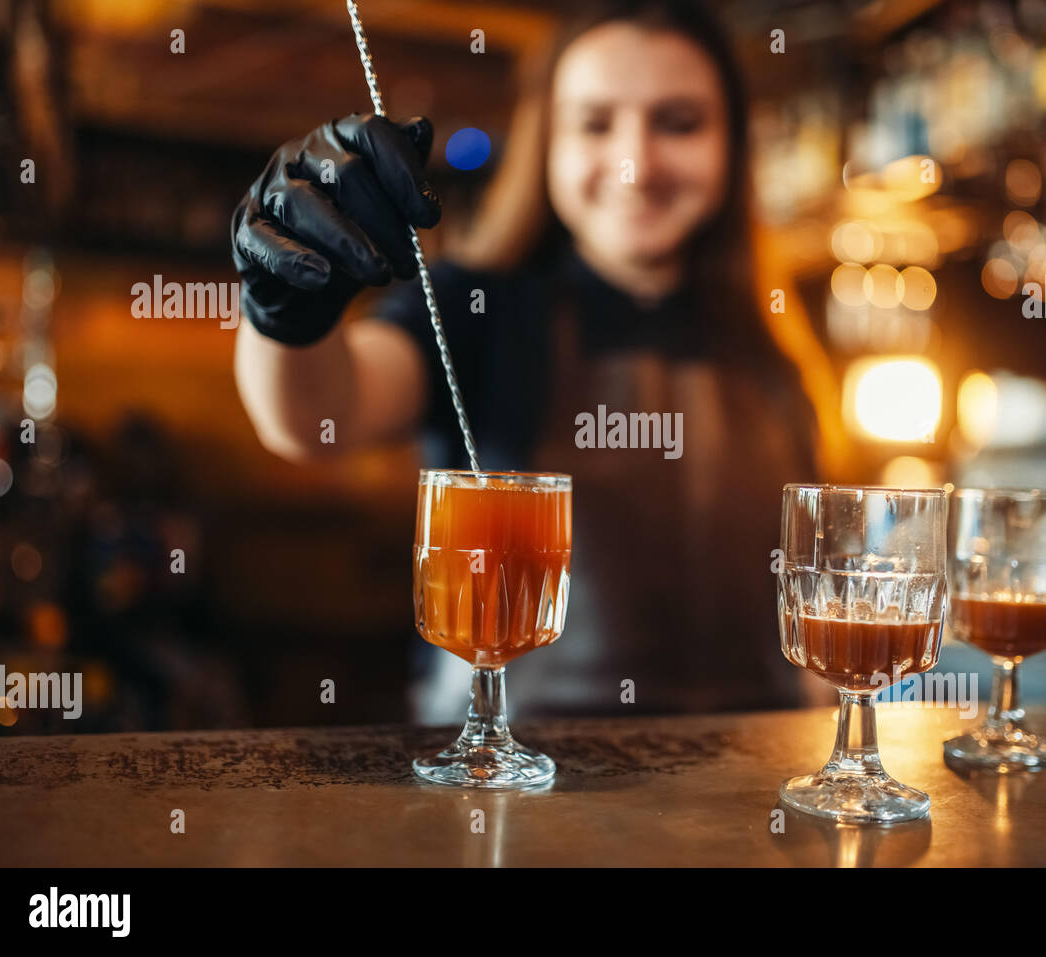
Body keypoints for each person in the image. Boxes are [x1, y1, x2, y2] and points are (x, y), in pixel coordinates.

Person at [231, 0, 833, 720]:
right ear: (546, 142)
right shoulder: (476, 305)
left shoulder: (772, 333)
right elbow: (313, 416)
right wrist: (288, 310)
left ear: (734, 146)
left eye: (678, 122)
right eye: (595, 123)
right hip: (518, 791)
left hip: (745, 788)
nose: (635, 164)